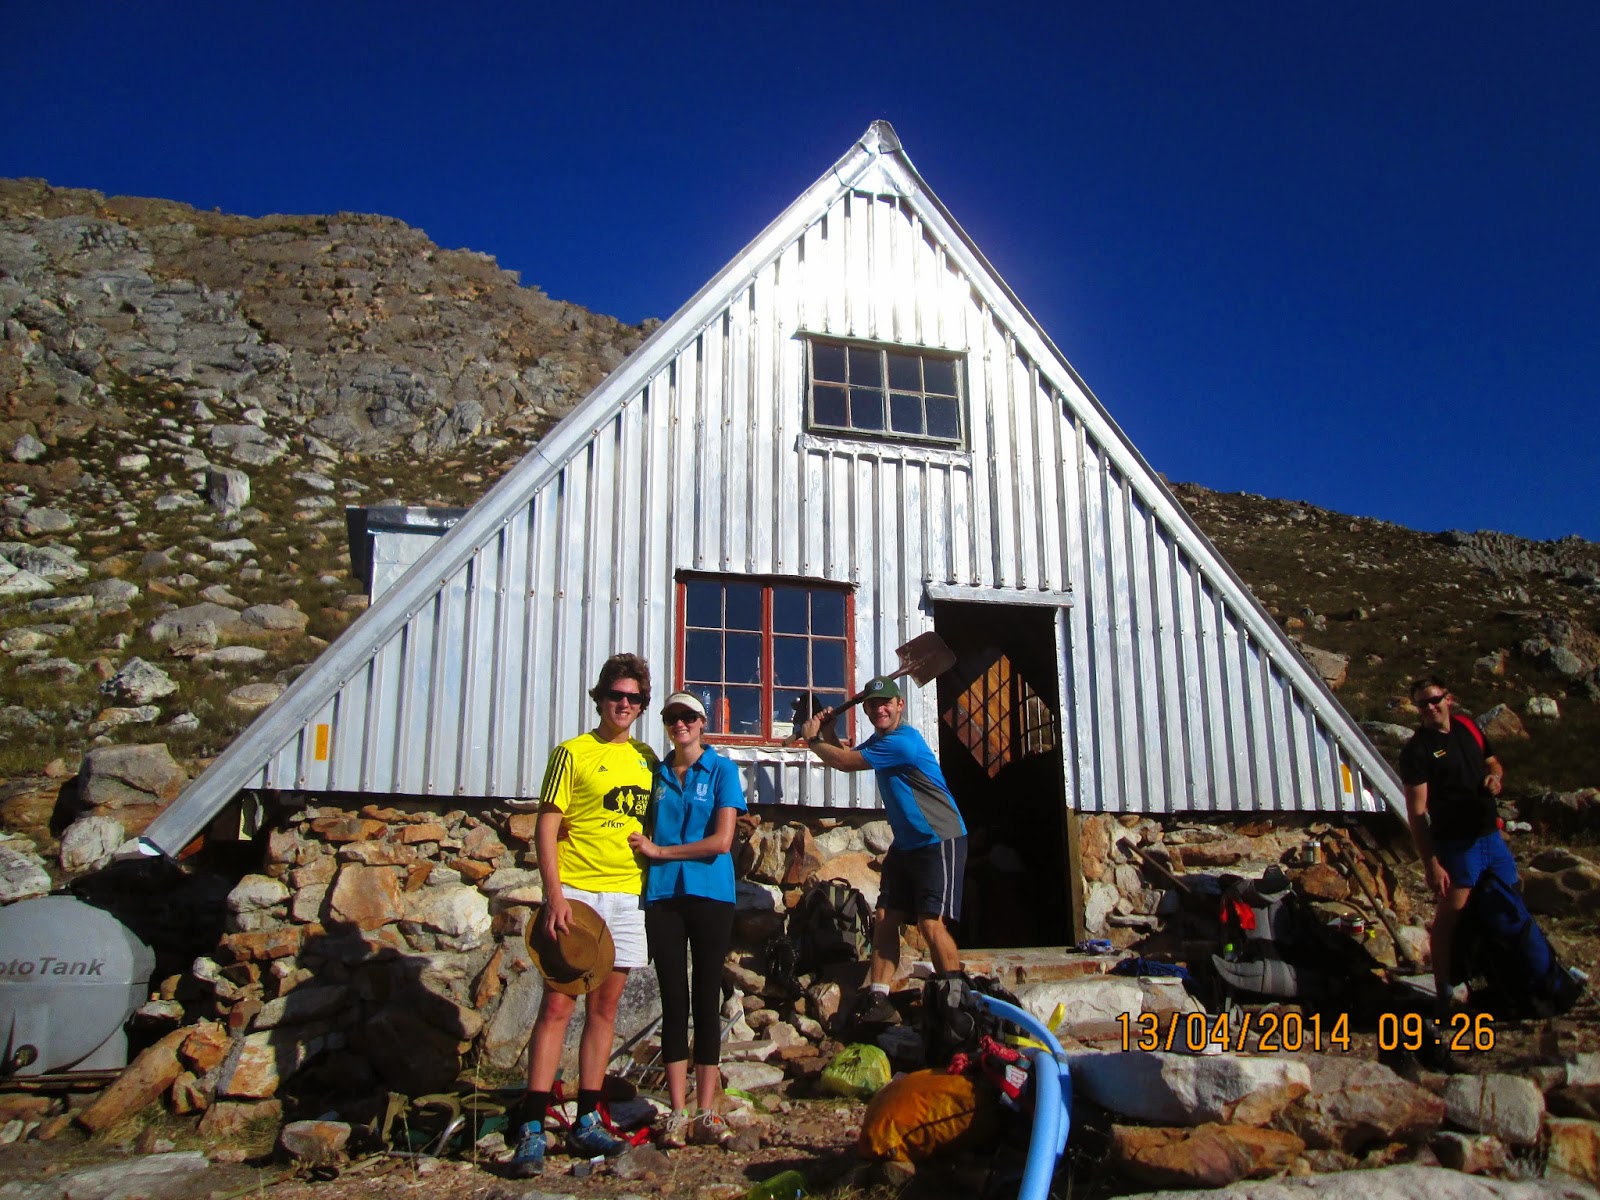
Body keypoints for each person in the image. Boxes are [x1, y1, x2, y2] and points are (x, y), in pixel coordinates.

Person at [508, 654, 657, 1178]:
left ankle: (588, 1117)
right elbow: (547, 825)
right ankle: (532, 1122)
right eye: (616, 695)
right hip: (578, 892)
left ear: (642, 705)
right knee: (557, 1004)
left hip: (627, 894)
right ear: (600, 698)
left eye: (634, 698)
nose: (624, 704)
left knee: (605, 1008)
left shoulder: (646, 759)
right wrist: (553, 895)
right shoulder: (572, 752)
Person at [797, 675, 967, 1023]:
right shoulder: (880, 741)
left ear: (900, 705)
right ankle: (878, 998)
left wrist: (813, 739)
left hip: (938, 839)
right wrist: (829, 732)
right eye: (873, 704)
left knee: (929, 922)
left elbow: (845, 763)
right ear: (867, 710)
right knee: (886, 917)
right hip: (906, 845)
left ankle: (955, 1001)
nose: (880, 709)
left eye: (886, 703)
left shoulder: (903, 743)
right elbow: (848, 755)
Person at [627, 690, 747, 1149]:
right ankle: (678, 1112)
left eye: (688, 717)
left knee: (705, 997)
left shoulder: (721, 770)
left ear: (702, 722)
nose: (680, 724)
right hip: (664, 896)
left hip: (711, 894)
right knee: (673, 999)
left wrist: (660, 852)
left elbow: (721, 841)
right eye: (671, 717)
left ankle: (706, 1109)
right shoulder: (655, 774)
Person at [1398, 676, 1509, 1012]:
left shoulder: (1467, 728)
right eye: (1422, 704)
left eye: (1435, 700)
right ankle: (1445, 987)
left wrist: (1495, 778)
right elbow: (1417, 813)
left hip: (1490, 835)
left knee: (1506, 900)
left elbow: (1492, 760)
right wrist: (1431, 863)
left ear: (1449, 698)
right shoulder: (1417, 751)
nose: (1430, 708)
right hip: (1457, 843)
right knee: (1452, 912)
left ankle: (1503, 974)